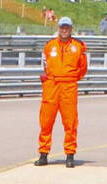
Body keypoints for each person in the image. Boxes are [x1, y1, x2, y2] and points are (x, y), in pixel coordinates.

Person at [36, 17, 87, 167]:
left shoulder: (78, 46)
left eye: (67, 27)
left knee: (70, 122)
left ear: (71, 29)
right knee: (46, 121)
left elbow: (83, 68)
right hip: (51, 86)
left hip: (69, 87)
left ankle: (70, 155)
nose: (64, 30)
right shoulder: (49, 45)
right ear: (58, 28)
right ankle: (43, 154)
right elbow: (45, 65)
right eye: (62, 27)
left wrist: (70, 78)